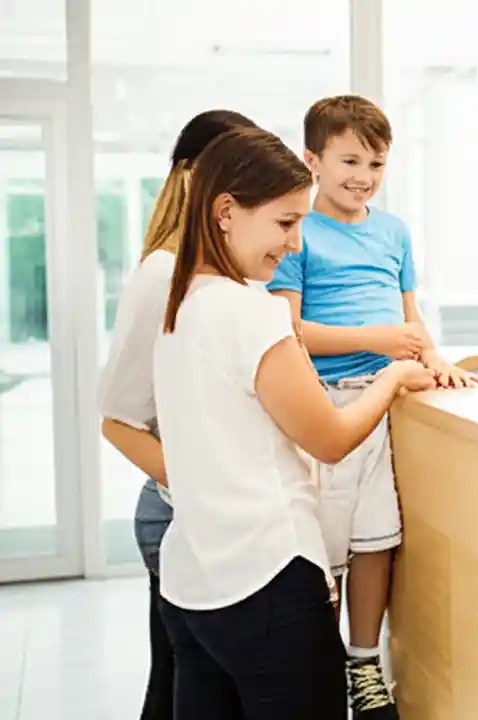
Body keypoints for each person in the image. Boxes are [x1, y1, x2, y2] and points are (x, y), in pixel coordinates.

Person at [153, 126, 438, 719]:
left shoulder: (180, 307)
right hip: (266, 580)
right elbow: (330, 439)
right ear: (226, 211)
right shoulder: (253, 314)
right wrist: (392, 378)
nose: (295, 244)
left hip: (192, 585)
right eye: (285, 223)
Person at [267, 94, 478, 719]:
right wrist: (376, 341)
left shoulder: (394, 232)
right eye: (350, 160)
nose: (363, 176)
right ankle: (320, 664)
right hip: (328, 403)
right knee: (327, 552)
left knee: (376, 539)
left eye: (376, 164)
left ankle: (363, 662)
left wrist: (433, 360)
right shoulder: (298, 230)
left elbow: (410, 316)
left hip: (391, 405)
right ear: (313, 160)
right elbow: (291, 332)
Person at [98, 108, 256, 720]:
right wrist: (197, 487)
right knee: (181, 692)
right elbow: (119, 415)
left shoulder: (217, 266)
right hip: (178, 515)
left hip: (201, 515)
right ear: (194, 177)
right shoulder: (165, 271)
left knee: (189, 691)